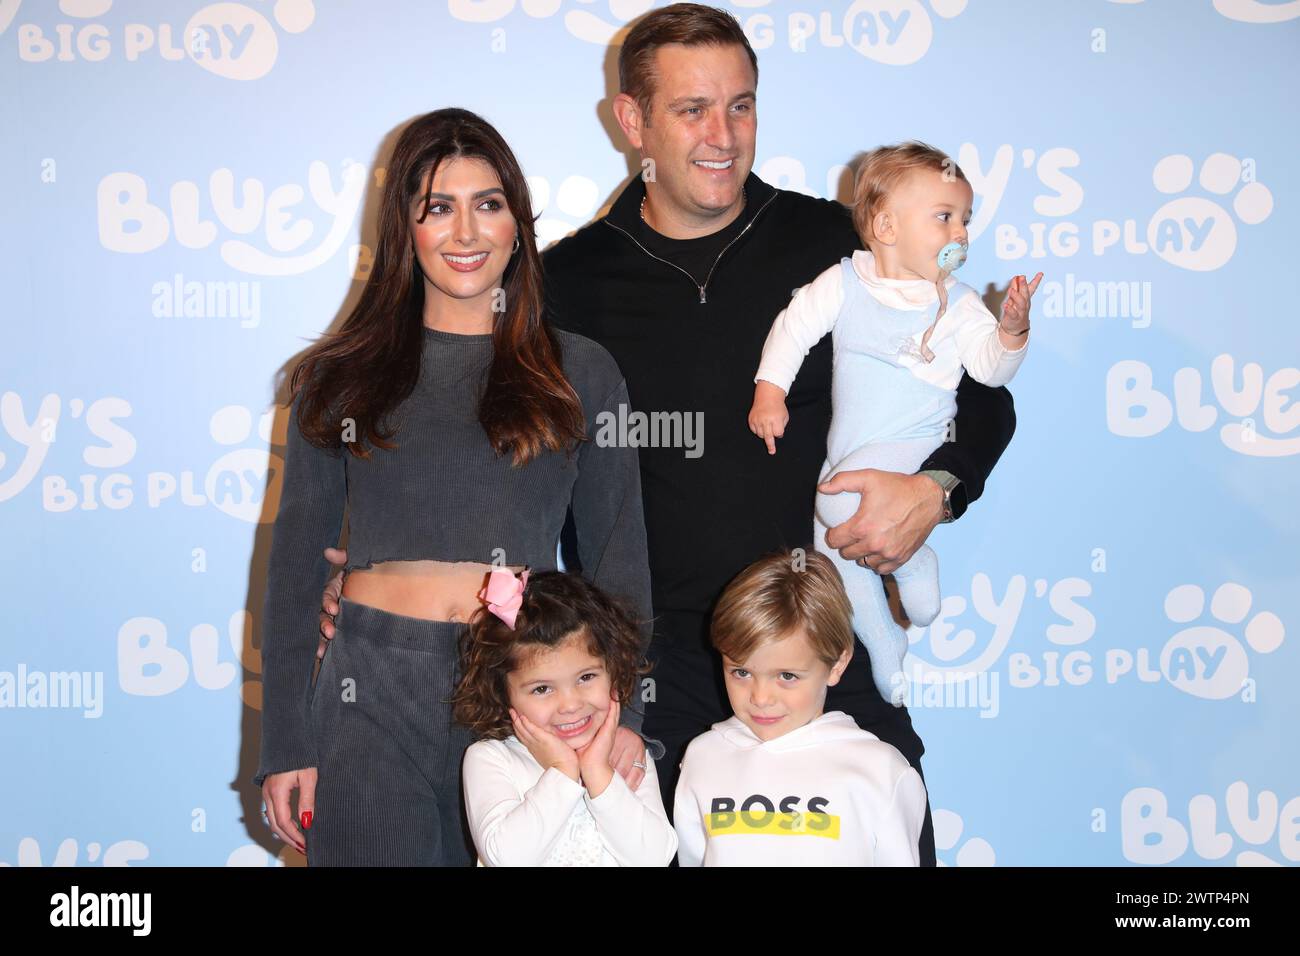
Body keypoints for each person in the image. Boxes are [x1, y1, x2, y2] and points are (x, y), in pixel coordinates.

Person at [538, 4, 1028, 866]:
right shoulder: (564, 285)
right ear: (632, 120)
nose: (723, 134)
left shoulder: (839, 246)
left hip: (825, 644)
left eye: (742, 105)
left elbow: (982, 392)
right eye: (692, 109)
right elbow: (506, 465)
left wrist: (934, 489)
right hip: (662, 673)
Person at [253, 108, 652, 866]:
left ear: (517, 224)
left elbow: (617, 560)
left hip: (523, 689)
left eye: (488, 204)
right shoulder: (335, 377)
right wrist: (286, 744)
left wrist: (622, 713)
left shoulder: (582, 371)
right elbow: (296, 569)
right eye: (438, 207)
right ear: (405, 227)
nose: (466, 233)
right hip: (367, 691)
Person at [748, 142, 1040, 706]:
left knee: (834, 505)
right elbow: (793, 329)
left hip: (914, 445)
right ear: (884, 226)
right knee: (832, 551)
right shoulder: (845, 281)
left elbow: (990, 374)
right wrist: (770, 391)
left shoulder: (956, 304)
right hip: (851, 452)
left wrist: (1011, 333)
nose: (960, 234)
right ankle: (884, 645)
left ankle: (915, 558)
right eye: (944, 217)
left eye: (964, 220)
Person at [674, 550, 926, 866]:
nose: (761, 697)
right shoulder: (702, 756)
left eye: (787, 676)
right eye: (741, 672)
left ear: (837, 664)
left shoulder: (882, 770)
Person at [453, 569, 677, 866]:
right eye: (542, 688)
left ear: (614, 669)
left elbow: (655, 857)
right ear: (502, 693)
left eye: (586, 677)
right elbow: (505, 859)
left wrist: (598, 771)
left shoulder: (624, 753)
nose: (570, 705)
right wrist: (562, 771)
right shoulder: (491, 758)